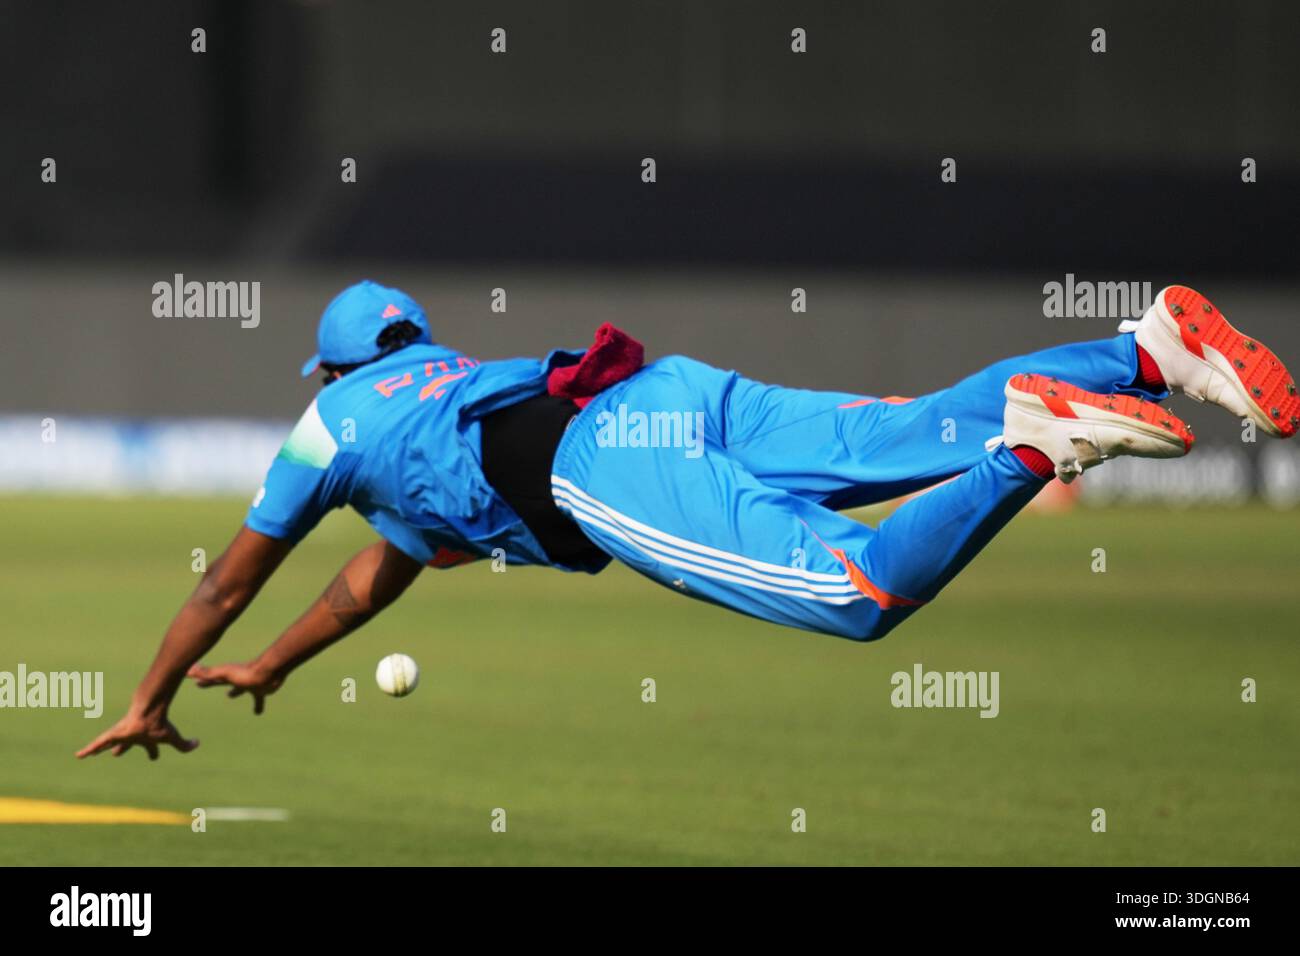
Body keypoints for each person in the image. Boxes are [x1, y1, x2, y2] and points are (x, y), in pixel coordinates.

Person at [78, 281, 1297, 760]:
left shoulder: (332, 425)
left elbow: (221, 581)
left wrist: (153, 691)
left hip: (602, 460)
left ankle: (1036, 443)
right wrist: (281, 668)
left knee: (853, 593)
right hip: (665, 391)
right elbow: (375, 575)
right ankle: (1141, 346)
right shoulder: (442, 389)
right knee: (915, 431)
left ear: (331, 369)